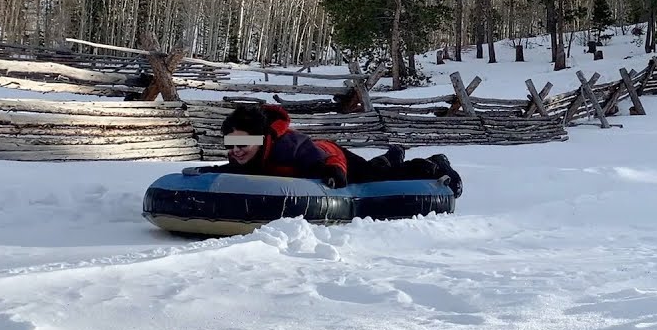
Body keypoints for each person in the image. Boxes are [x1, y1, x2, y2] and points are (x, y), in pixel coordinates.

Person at [186, 104, 462, 197]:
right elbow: (232, 171)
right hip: (327, 157)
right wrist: (206, 172)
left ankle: (433, 163)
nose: (235, 152)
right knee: (377, 169)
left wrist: (333, 171)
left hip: (335, 157)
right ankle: (390, 156)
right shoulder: (246, 156)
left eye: (241, 145)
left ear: (260, 140)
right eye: (230, 146)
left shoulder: (290, 148)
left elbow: (327, 157)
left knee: (374, 178)